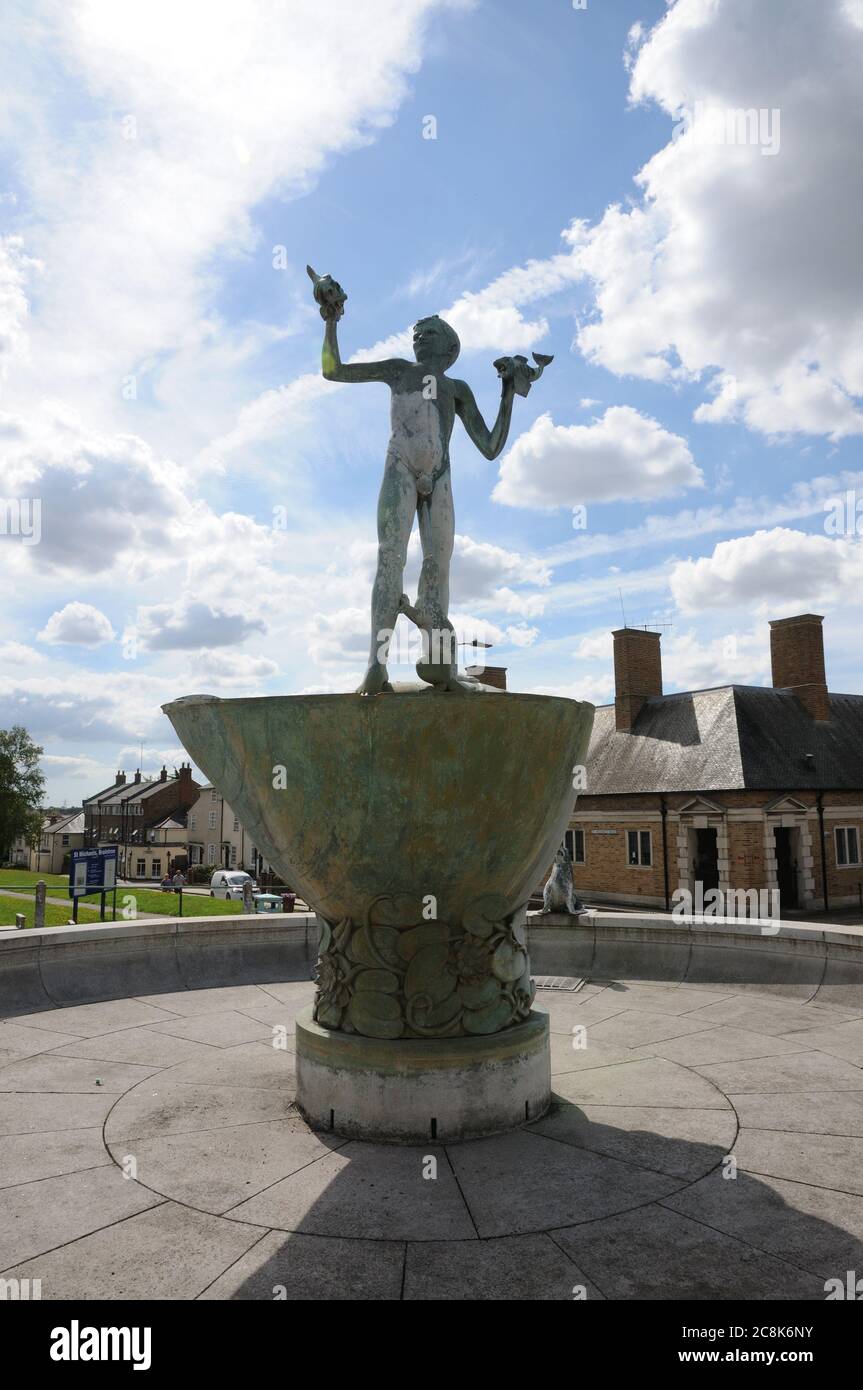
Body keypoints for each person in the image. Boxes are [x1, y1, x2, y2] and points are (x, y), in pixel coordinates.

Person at [313, 272, 519, 695]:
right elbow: (333, 371)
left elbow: (491, 445)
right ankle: (377, 664)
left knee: (438, 567)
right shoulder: (398, 370)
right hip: (400, 465)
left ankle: (438, 658)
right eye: (417, 333)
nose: (419, 338)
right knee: (390, 557)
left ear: (450, 347)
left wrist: (509, 392)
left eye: (429, 333)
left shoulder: (457, 388)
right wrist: (331, 319)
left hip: (440, 474)